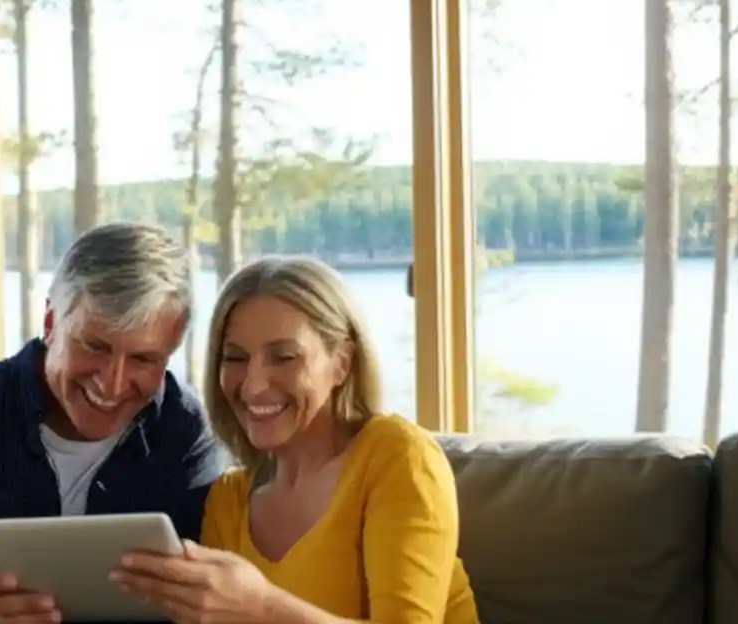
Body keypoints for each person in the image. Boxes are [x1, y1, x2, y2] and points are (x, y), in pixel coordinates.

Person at [0, 222, 225, 624]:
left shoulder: (184, 437)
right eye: (94, 346)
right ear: (50, 323)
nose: (113, 384)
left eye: (143, 359)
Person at [111, 255, 480, 623]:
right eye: (235, 358)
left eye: (284, 357)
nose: (253, 386)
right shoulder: (229, 500)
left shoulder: (398, 457)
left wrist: (263, 608)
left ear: (342, 363)